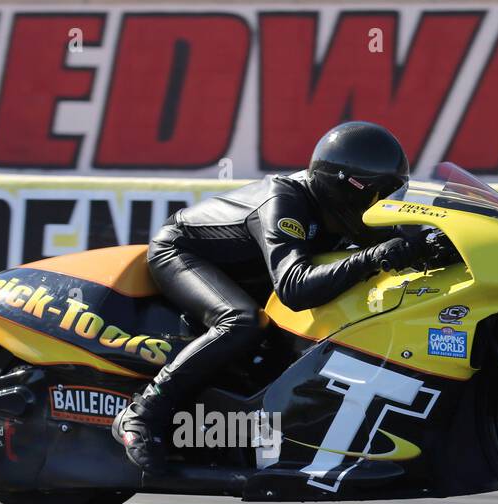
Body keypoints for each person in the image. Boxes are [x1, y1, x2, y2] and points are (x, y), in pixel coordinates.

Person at [112, 121, 429, 472]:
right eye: (376, 194)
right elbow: (295, 287)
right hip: (182, 252)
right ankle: (143, 412)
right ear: (346, 188)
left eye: (391, 195)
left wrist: (435, 245)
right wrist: (373, 256)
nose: (381, 205)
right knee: (243, 322)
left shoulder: (344, 211)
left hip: (252, 269)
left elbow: (402, 238)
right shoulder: (285, 200)